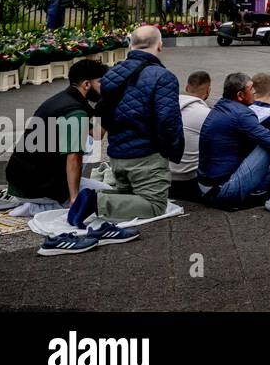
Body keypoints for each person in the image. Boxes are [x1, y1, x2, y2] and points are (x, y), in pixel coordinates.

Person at [67, 25, 184, 228]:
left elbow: (102, 112)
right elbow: (168, 121)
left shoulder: (112, 74)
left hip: (117, 155)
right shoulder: (163, 77)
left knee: (129, 197)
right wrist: (173, 151)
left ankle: (95, 199)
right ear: (160, 46)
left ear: (131, 45)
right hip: (146, 156)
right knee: (154, 205)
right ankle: (95, 200)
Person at [4, 60, 114, 218]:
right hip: (35, 187)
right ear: (87, 84)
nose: (105, 87)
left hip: (23, 181)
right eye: (101, 82)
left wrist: (106, 107)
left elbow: (96, 134)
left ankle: (40, 202)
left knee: (100, 189)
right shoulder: (75, 111)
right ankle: (37, 208)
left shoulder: (66, 99)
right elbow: (73, 158)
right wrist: (74, 198)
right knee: (105, 197)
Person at [197, 72, 270, 213]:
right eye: (251, 89)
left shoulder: (221, 107)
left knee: (267, 146)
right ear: (240, 95)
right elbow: (268, 138)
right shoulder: (241, 114)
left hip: (207, 187)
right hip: (223, 191)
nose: (255, 91)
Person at [170, 71, 212, 185]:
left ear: (187, 87)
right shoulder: (207, 115)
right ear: (208, 91)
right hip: (188, 179)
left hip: (161, 174)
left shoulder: (166, 105)